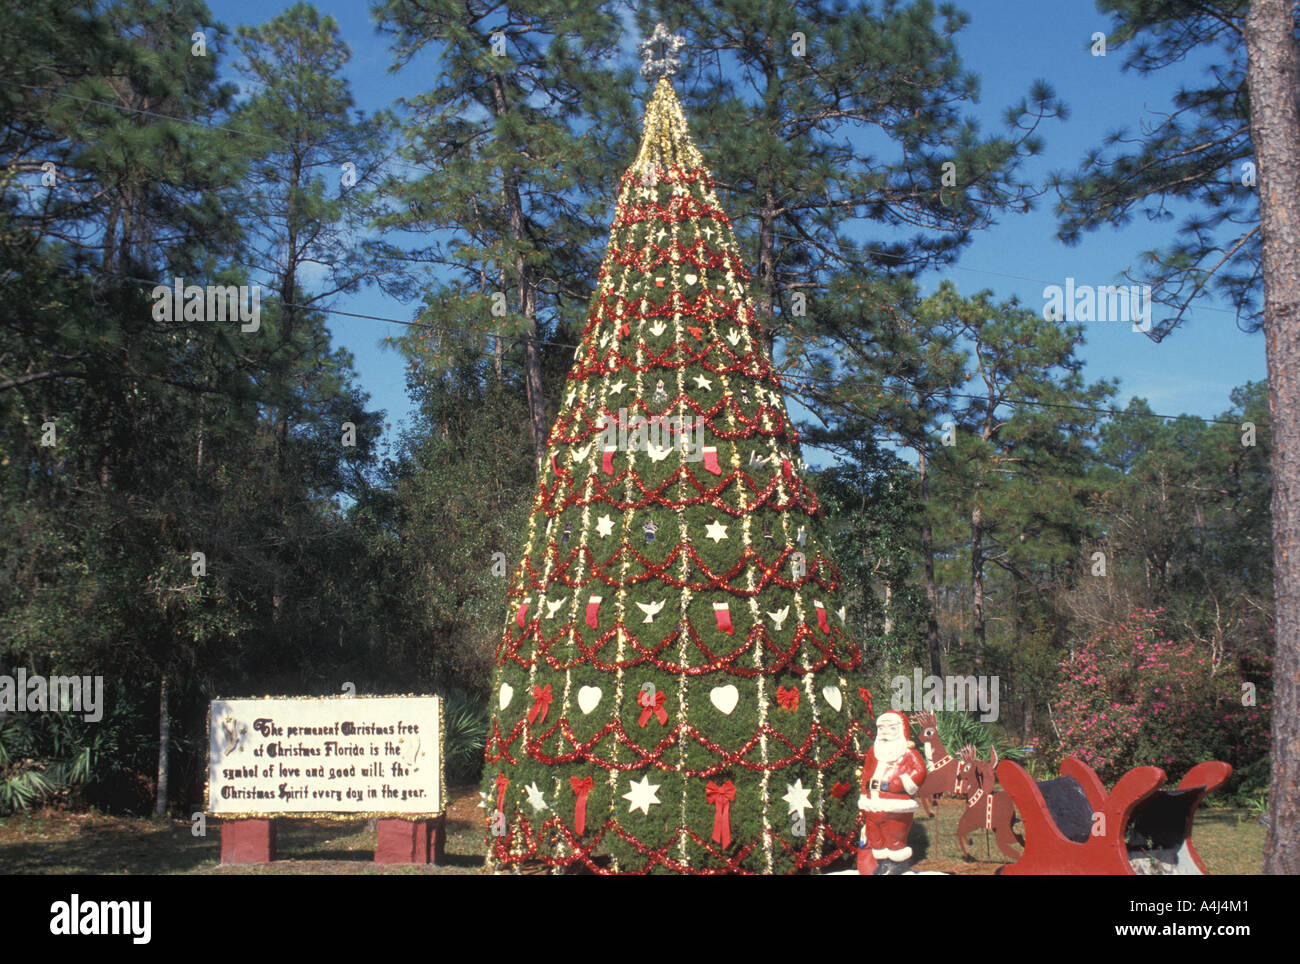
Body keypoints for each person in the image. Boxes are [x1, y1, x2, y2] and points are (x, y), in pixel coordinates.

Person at [858, 709, 926, 875]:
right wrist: (863, 794)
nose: (885, 733)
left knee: (894, 836)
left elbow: (920, 771)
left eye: (891, 728)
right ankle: (882, 864)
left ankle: (897, 866)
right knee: (875, 836)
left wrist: (901, 782)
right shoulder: (873, 751)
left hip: (896, 804)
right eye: (881, 728)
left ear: (901, 730)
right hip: (872, 802)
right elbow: (867, 773)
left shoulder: (907, 752)